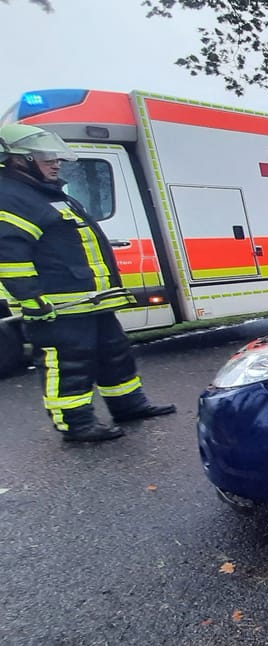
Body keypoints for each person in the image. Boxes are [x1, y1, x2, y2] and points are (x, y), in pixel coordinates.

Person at [0, 124, 175, 442]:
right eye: (45, 157)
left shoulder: (46, 193)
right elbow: (9, 258)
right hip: (59, 307)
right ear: (18, 160)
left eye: (54, 156)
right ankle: (76, 424)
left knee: (115, 355)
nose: (55, 162)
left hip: (91, 300)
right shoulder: (10, 197)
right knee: (69, 364)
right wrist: (32, 301)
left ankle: (129, 405)